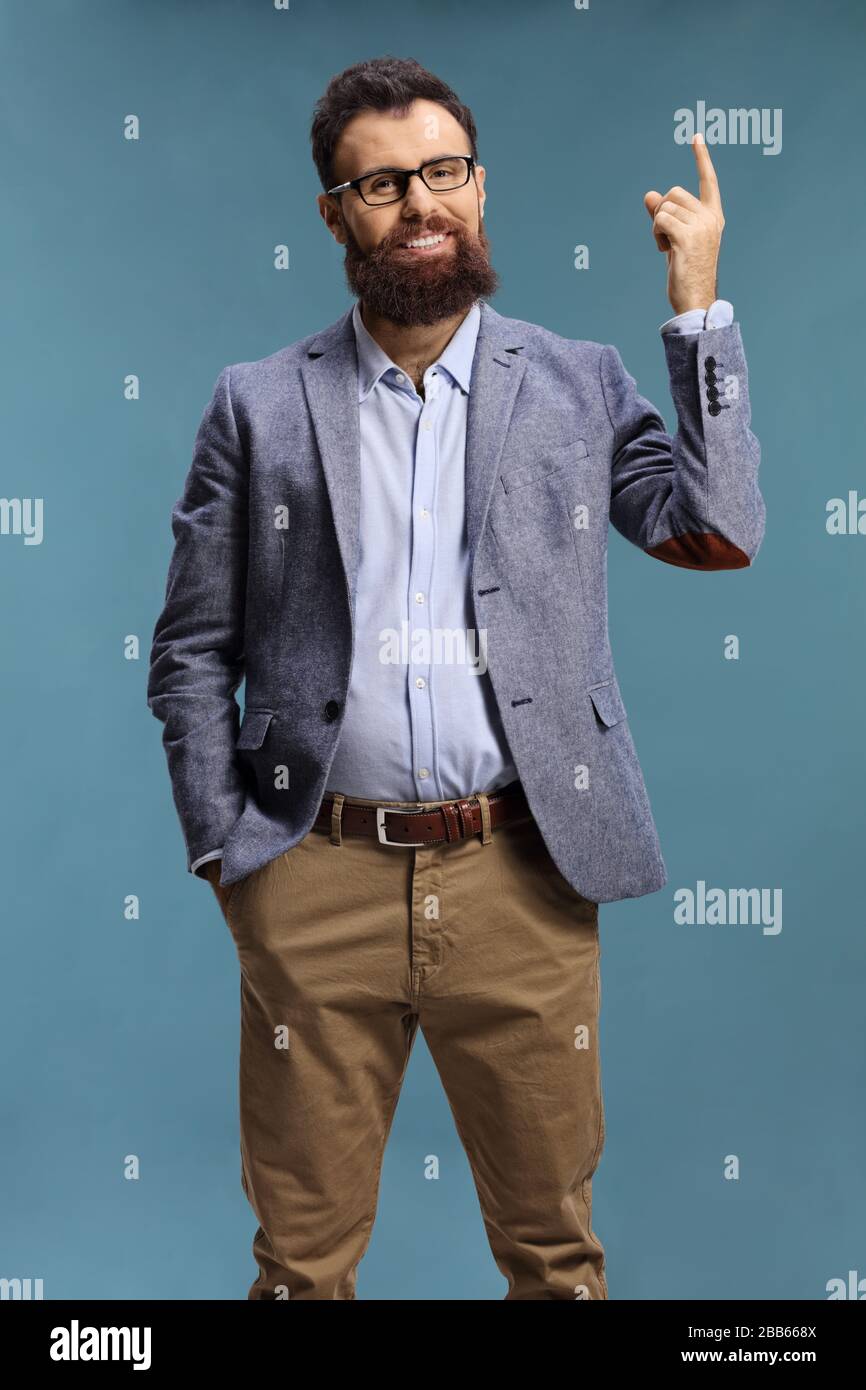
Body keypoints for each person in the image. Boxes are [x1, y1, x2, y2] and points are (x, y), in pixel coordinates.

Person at [147, 55, 765, 1300]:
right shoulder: (258, 405)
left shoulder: (578, 382)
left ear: (479, 188)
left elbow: (717, 527)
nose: (417, 202)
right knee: (301, 1263)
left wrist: (696, 305)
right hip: (311, 877)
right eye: (380, 183)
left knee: (553, 1258)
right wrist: (229, 849)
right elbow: (191, 648)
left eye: (441, 172)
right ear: (334, 215)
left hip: (522, 878)